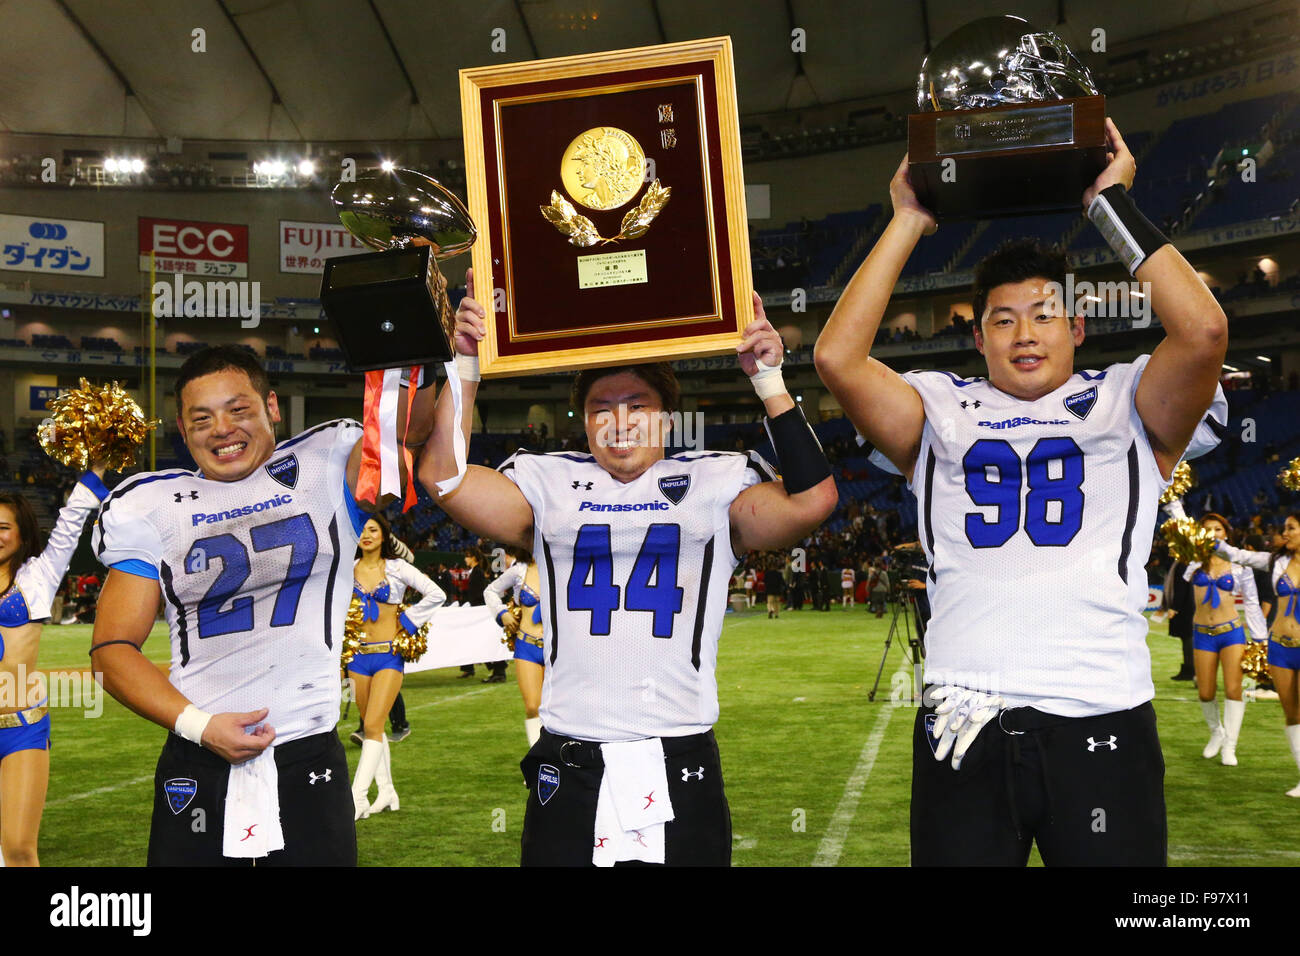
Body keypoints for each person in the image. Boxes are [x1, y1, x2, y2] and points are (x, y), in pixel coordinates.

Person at [815, 119, 1228, 865]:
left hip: (1100, 711)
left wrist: (1110, 203)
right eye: (1003, 320)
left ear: (1076, 324)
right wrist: (908, 218)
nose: (1024, 334)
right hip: (963, 718)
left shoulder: (1129, 400)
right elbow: (838, 358)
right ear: (979, 338)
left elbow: (1202, 331)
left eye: (1042, 315)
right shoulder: (940, 406)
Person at [417, 270, 837, 866]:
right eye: (599, 409)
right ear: (583, 423)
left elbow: (814, 498)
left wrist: (768, 378)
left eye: (637, 405)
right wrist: (465, 363)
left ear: (668, 417)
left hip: (677, 747)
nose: (618, 422)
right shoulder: (552, 481)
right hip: (572, 751)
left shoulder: (712, 481)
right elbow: (444, 478)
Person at [89, 344, 436, 865]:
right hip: (198, 754)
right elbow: (112, 649)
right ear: (183, 433)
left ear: (272, 406)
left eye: (239, 409)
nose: (222, 429)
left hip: (307, 749)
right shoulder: (154, 507)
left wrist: (421, 343)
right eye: (201, 418)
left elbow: (407, 431)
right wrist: (200, 727)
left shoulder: (323, 467)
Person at [0, 463, 108, 865]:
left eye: (4, 528)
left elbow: (69, 525)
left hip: (20, 730)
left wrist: (94, 470)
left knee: (18, 849)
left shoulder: (37, 576)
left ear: (23, 533)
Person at [348, 513, 445, 819]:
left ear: (384, 536)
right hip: (357, 657)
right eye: (362, 530)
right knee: (373, 728)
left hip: (389, 654)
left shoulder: (398, 568)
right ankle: (387, 792)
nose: (366, 534)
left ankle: (357, 797)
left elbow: (436, 593)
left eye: (373, 529)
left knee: (373, 727)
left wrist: (409, 619)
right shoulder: (346, 571)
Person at [1214, 514, 1300, 794]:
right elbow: (1235, 554)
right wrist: (1210, 539)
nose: (1283, 533)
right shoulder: (1277, 562)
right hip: (1279, 647)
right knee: (1291, 713)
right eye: (1284, 528)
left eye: (1290, 528)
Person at [1181, 513, 1266, 766]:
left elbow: (1251, 603)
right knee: (1206, 693)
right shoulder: (1193, 562)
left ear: (1225, 533)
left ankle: (1230, 746)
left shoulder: (1240, 566)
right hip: (1202, 635)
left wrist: (1260, 639)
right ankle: (1216, 732)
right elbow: (1180, 526)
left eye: (1218, 529)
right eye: (1208, 529)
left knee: (1233, 690)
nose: (1213, 533)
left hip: (1231, 633)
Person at [484, 547, 545, 745]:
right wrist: (502, 612)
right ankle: (536, 766)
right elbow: (491, 590)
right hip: (527, 645)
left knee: (557, 709)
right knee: (532, 707)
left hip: (558, 649)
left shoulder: (562, 566)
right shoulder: (520, 569)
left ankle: (557, 765)